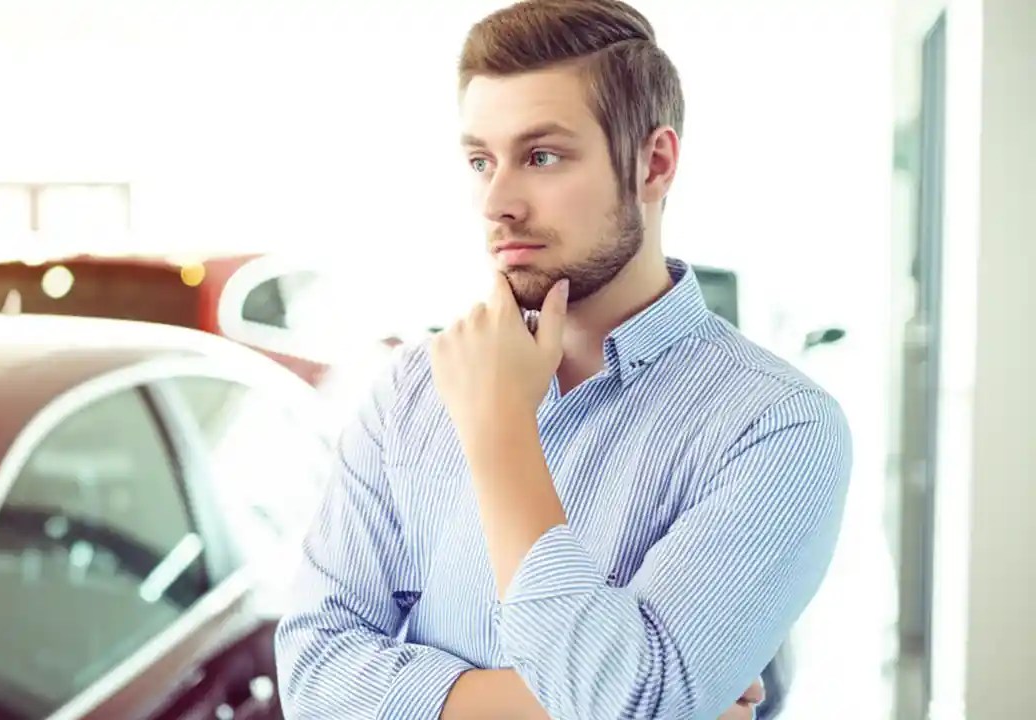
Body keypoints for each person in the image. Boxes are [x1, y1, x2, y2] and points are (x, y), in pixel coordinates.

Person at [273, 1, 853, 718]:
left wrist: (499, 436)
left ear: (654, 162)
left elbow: (634, 702)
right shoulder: (409, 391)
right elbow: (312, 678)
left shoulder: (778, 427)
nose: (498, 201)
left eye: (541, 156)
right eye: (481, 160)